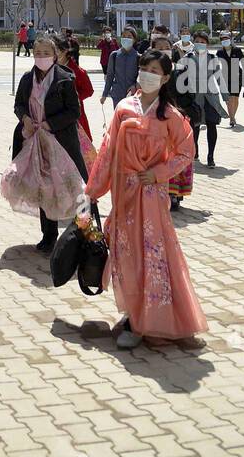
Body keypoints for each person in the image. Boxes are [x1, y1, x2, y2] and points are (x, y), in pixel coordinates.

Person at [86, 51, 208, 350]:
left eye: (155, 70)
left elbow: (185, 152)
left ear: (165, 78)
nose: (147, 74)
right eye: (144, 68)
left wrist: (158, 173)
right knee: (126, 254)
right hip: (123, 194)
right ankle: (132, 316)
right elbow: (108, 150)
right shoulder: (124, 108)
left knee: (152, 255)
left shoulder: (171, 116)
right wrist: (92, 192)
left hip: (152, 196)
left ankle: (152, 318)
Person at [3, 34, 88, 254]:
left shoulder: (64, 79)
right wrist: (25, 119)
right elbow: (18, 105)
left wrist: (51, 124)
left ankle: (86, 232)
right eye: (37, 53)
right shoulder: (26, 79)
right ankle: (49, 235)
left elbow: (74, 111)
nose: (41, 57)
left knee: (76, 186)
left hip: (60, 141)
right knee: (43, 187)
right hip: (34, 142)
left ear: (55, 55)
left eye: (46, 53)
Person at [150, 36, 194, 212]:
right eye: (159, 47)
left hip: (176, 119)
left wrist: (179, 111)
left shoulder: (180, 69)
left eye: (166, 47)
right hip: (155, 120)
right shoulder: (149, 72)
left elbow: (188, 94)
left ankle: (175, 194)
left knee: (176, 155)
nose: (163, 50)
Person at [173, 28, 227, 167]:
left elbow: (219, 78)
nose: (199, 44)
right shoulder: (186, 58)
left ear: (207, 44)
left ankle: (210, 156)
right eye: (197, 41)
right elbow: (178, 77)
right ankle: (195, 150)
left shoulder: (213, 58)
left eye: (202, 42)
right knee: (194, 126)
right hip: (193, 97)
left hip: (210, 97)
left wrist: (225, 96)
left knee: (211, 124)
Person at [53, 36, 95, 154]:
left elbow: (88, 90)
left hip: (75, 115)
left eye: (56, 49)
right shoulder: (50, 68)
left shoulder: (77, 71)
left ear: (65, 51)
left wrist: (72, 99)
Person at [216, 29, 244, 129]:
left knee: (235, 98)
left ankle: (233, 116)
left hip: (237, 77)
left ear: (230, 39)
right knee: (228, 99)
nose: (225, 40)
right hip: (225, 77)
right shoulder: (219, 52)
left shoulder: (237, 50)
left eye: (226, 38)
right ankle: (232, 118)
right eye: (223, 39)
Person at [101, 27, 140, 109]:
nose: (126, 38)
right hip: (117, 95)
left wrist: (135, 86)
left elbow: (141, 77)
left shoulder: (138, 57)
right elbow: (110, 76)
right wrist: (105, 94)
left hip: (133, 96)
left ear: (134, 39)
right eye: (124, 36)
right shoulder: (114, 55)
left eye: (129, 37)